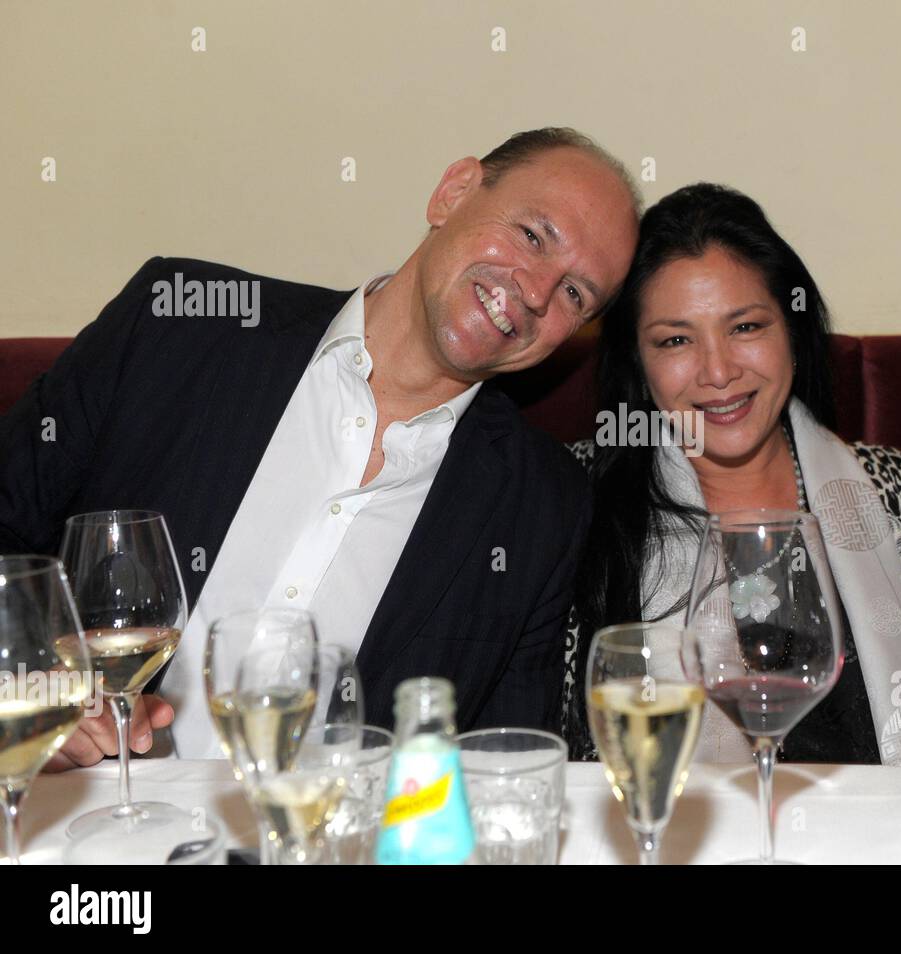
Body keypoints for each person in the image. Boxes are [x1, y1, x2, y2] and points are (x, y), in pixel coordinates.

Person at [0, 127, 640, 767]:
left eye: (574, 294)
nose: (534, 293)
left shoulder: (544, 507)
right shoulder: (178, 325)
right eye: (532, 235)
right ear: (453, 191)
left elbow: (506, 768)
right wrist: (36, 686)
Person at [563, 183, 901, 766]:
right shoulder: (574, 500)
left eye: (746, 327)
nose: (719, 371)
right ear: (637, 362)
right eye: (676, 340)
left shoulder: (894, 493)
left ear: (793, 334)